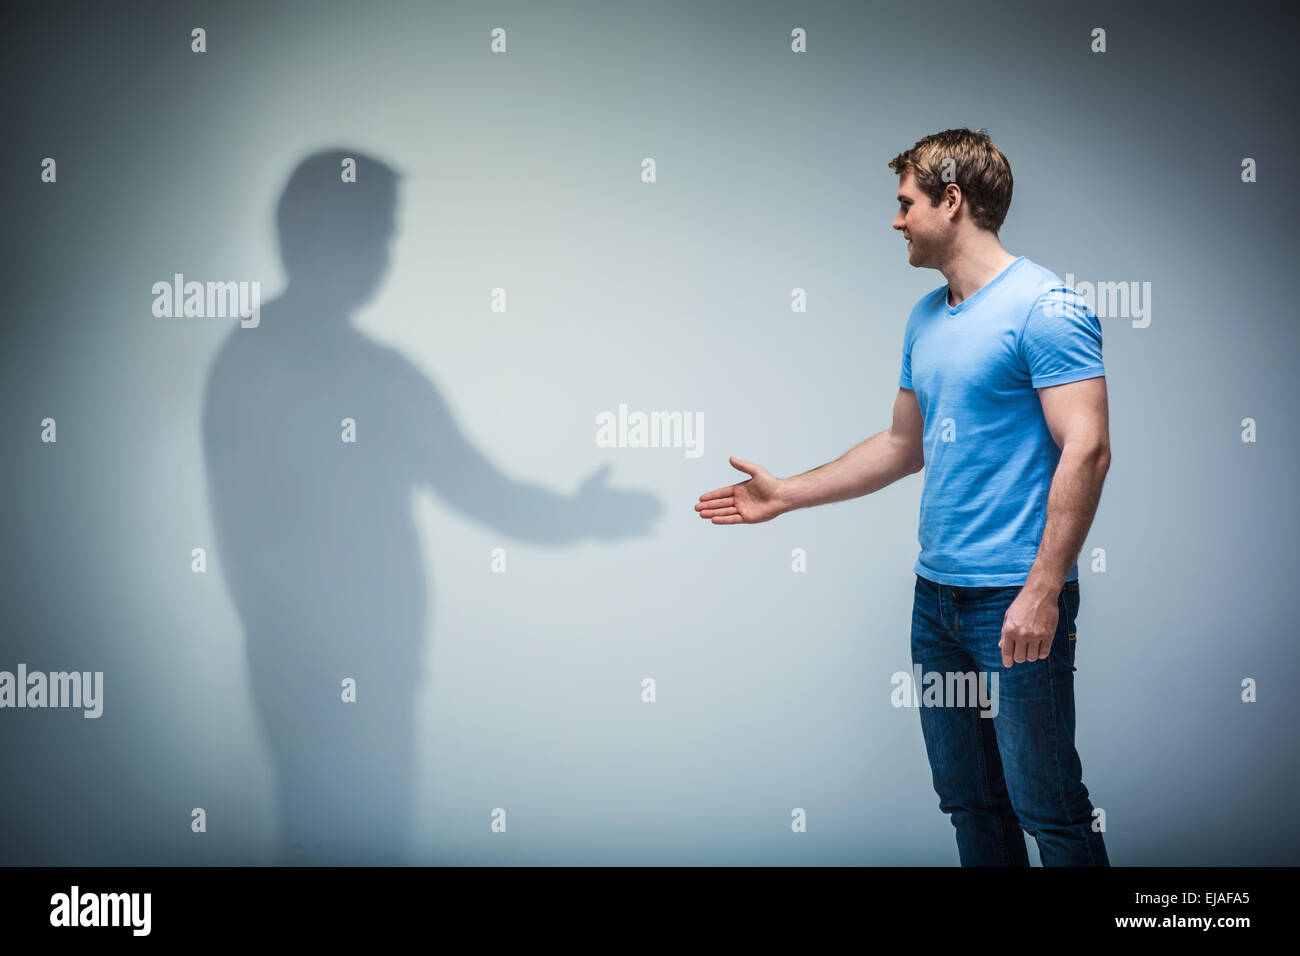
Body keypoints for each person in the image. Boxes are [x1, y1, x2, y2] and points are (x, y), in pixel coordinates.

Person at [694, 128, 1110, 866]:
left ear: (951, 202)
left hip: (1014, 598)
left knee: (1049, 808)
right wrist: (785, 494)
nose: (895, 220)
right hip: (937, 601)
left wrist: (1044, 589)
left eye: (905, 202)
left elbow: (1089, 447)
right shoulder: (926, 316)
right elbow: (901, 446)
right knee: (970, 804)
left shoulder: (1046, 308)